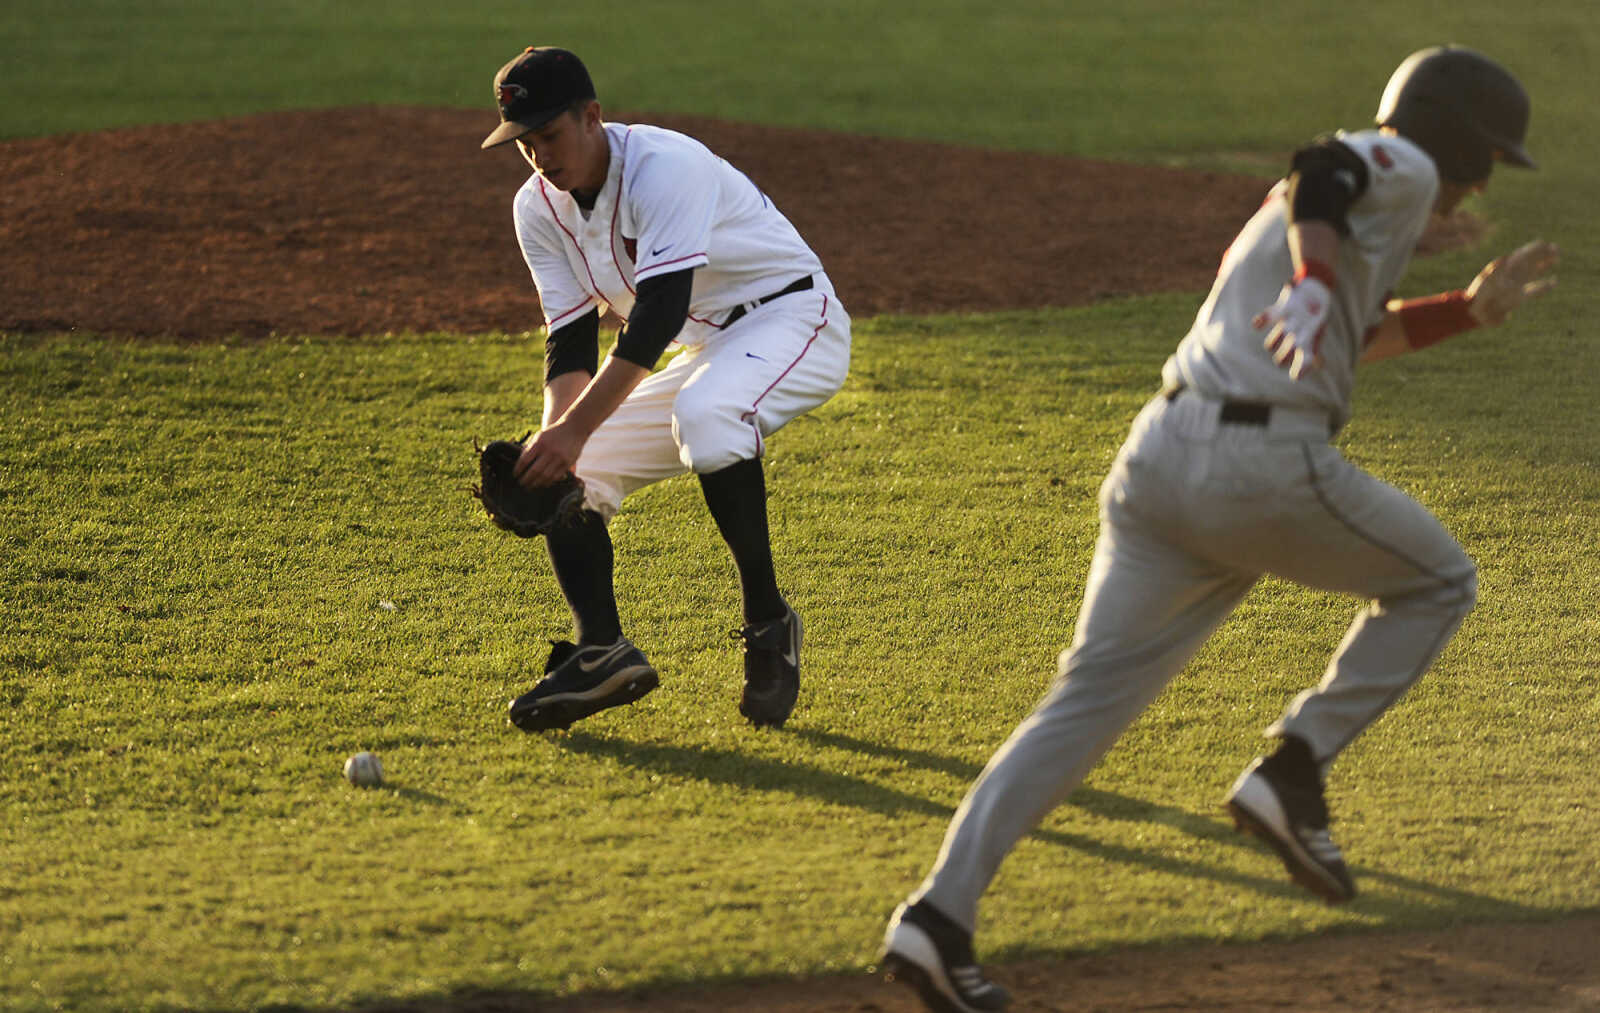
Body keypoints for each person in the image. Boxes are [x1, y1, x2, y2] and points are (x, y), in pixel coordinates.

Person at [880, 45, 1559, 1013]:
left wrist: (1462, 311)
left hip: (1158, 461)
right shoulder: (1396, 169)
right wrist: (1320, 279)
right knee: (1439, 580)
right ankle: (1293, 765)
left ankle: (936, 917)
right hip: (1258, 469)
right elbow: (1318, 163)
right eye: (1485, 157)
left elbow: (1341, 336)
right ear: (1453, 140)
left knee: (1078, 705)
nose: (1479, 184)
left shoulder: (1336, 229)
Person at [478, 47, 851, 732]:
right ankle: (602, 651)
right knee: (574, 468)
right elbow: (569, 336)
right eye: (524, 143)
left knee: (705, 414)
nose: (538, 156)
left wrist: (572, 430)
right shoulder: (536, 207)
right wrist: (556, 437)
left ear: (592, 117)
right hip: (709, 345)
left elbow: (655, 316)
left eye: (549, 136)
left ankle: (770, 623)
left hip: (795, 317)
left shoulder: (664, 166)